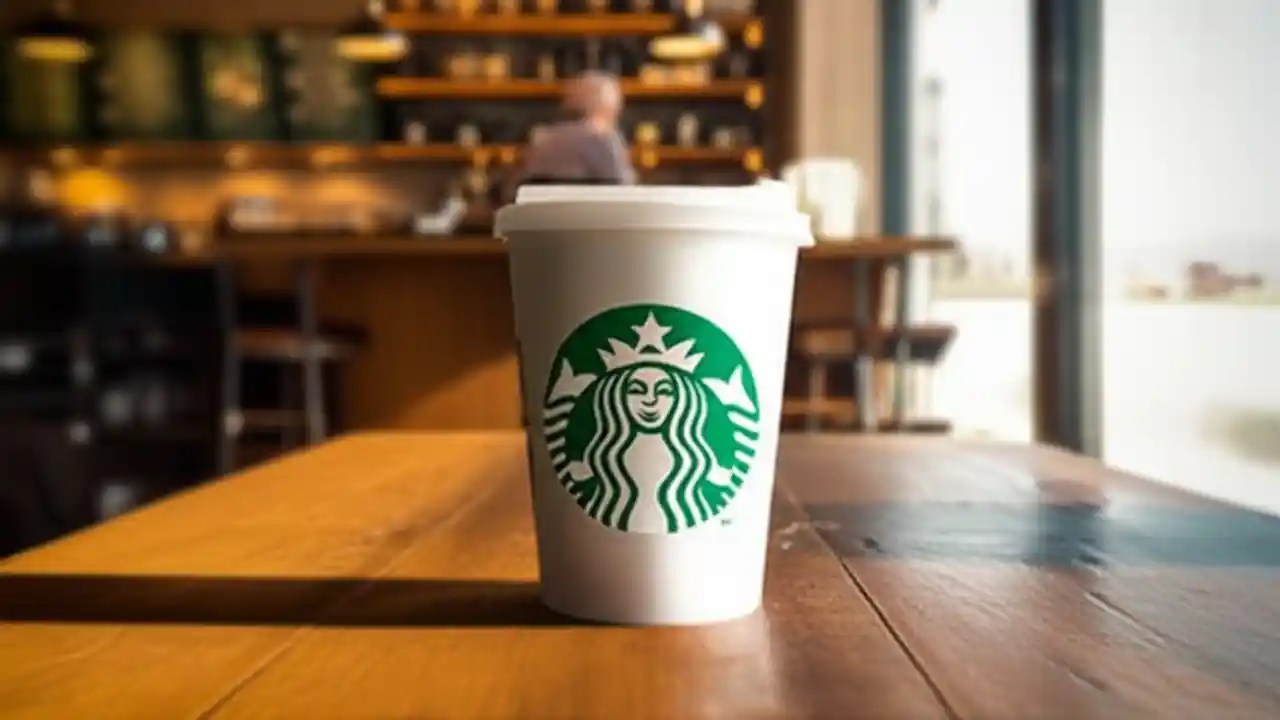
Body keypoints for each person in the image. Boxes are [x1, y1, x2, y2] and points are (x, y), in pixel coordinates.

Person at [501, 71, 637, 204]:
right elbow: (626, 193)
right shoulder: (605, 139)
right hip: (592, 222)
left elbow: (512, 193)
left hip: (539, 222)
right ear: (606, 108)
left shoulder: (542, 139)